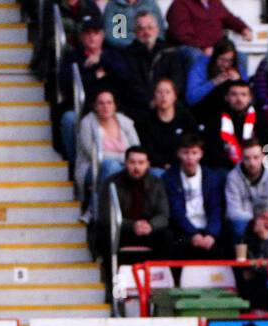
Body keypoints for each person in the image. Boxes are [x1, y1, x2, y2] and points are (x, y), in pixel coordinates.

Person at [59, 17, 133, 167]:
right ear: (81, 36)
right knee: (69, 119)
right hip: (84, 108)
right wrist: (94, 74)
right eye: (87, 33)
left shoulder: (112, 55)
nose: (92, 36)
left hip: (112, 109)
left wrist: (102, 60)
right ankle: (75, 166)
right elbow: (66, 83)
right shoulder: (72, 57)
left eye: (96, 32)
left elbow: (125, 76)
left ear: (103, 35)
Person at [99, 146, 171, 256]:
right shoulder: (112, 183)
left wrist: (151, 226)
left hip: (149, 230)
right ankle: (111, 273)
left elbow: (163, 214)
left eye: (141, 163)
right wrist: (132, 225)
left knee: (168, 237)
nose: (136, 167)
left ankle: (159, 273)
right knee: (105, 237)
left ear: (148, 164)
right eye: (132, 162)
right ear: (125, 163)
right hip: (123, 230)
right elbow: (106, 216)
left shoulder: (156, 183)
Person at [74, 89, 140, 207]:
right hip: (93, 167)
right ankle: (97, 210)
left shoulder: (124, 121)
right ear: (95, 106)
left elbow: (137, 149)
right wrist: (126, 159)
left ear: (114, 106)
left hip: (127, 166)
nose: (106, 107)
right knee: (111, 166)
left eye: (109, 103)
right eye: (101, 103)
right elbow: (94, 155)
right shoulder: (87, 123)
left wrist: (129, 162)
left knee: (157, 173)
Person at [162, 135, 226, 256]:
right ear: (178, 154)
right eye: (185, 153)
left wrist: (211, 234)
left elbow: (216, 209)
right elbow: (176, 212)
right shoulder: (169, 178)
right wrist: (193, 234)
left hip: (208, 229)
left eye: (194, 153)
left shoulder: (212, 177)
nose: (190, 157)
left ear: (201, 154)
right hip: (183, 230)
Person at [119, 11, 184, 125]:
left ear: (157, 30)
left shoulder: (170, 52)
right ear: (135, 32)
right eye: (141, 28)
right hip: (141, 108)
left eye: (150, 27)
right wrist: (151, 102)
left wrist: (165, 99)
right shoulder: (127, 55)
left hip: (168, 105)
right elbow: (131, 85)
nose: (146, 32)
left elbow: (177, 80)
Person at [226, 138, 268, 251]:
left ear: (263, 157)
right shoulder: (233, 177)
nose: (252, 163)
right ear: (241, 158)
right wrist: (256, 221)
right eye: (247, 158)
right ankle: (242, 266)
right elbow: (233, 212)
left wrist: (266, 222)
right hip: (246, 222)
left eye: (256, 157)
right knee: (238, 226)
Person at [205, 80, 268, 170]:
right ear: (226, 97)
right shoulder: (216, 118)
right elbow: (212, 150)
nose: (239, 99)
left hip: (255, 166)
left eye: (243, 94)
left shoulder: (260, 117)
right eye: (234, 94)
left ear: (250, 98)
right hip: (225, 168)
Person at [137, 79, 196, 174]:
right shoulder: (146, 121)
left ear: (174, 96)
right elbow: (147, 149)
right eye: (159, 92)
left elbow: (192, 143)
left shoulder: (186, 119)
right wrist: (163, 164)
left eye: (168, 92)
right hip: (157, 168)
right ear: (154, 96)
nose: (163, 96)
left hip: (182, 165)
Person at [165, 0, 252, 58]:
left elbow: (229, 18)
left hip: (215, 48)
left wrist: (243, 28)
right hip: (193, 48)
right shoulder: (180, 4)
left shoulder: (215, 3)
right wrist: (203, 47)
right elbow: (181, 35)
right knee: (194, 55)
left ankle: (240, 85)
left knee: (240, 57)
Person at [186, 37, 243, 109]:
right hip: (205, 109)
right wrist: (214, 82)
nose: (225, 64)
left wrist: (239, 81)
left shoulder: (237, 67)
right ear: (214, 57)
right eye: (222, 59)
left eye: (229, 60)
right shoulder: (200, 66)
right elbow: (191, 99)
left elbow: (247, 98)